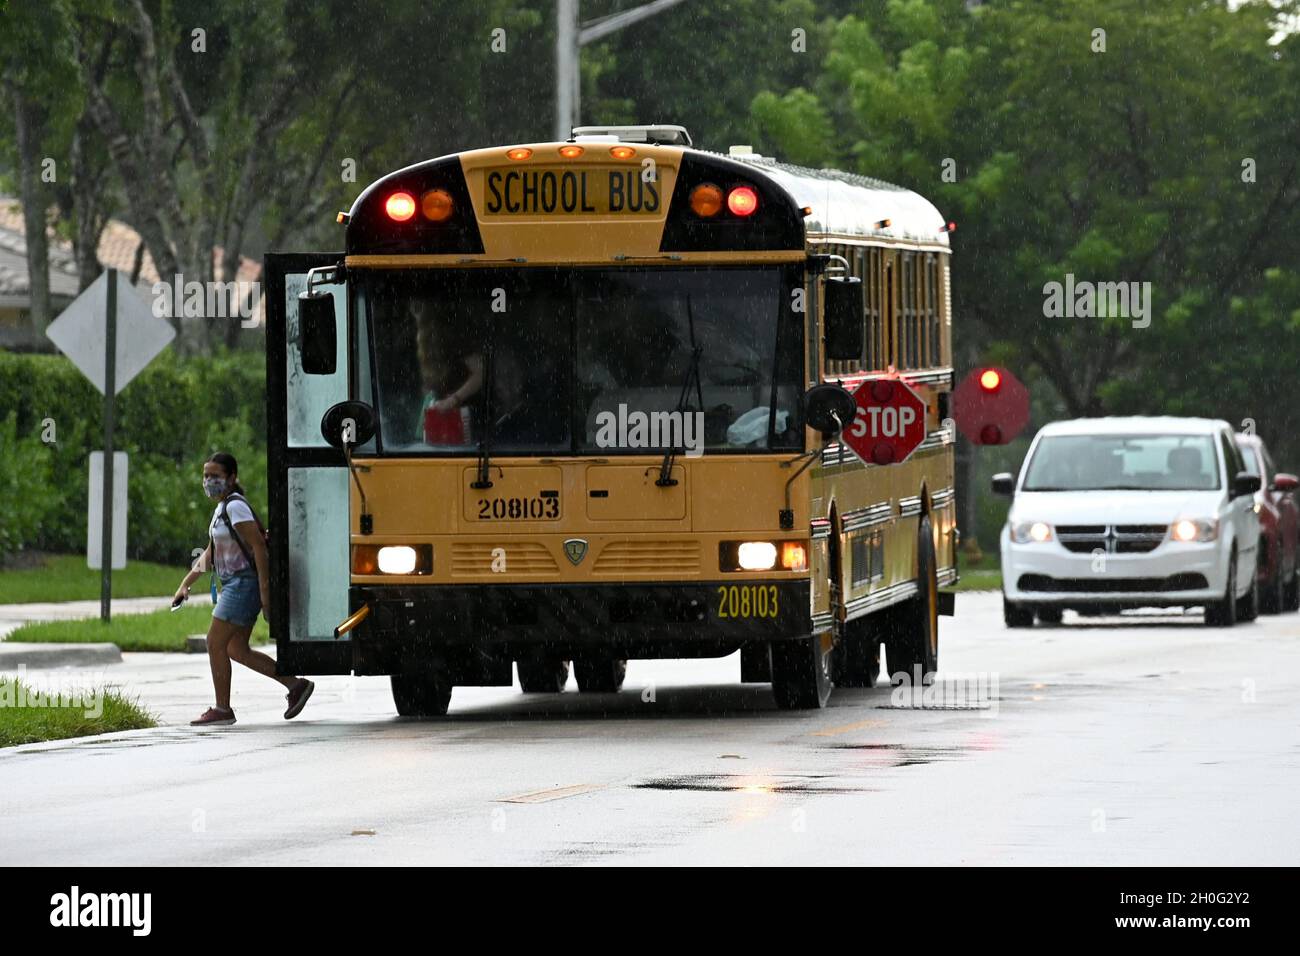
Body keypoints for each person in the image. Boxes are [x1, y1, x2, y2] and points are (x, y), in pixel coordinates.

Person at [174, 452, 314, 725]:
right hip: (235, 584)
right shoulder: (222, 509)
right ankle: (296, 686)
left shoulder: (235, 507)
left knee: (214, 642)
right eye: (206, 476)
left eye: (215, 476)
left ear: (232, 478)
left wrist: (264, 592)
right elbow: (211, 553)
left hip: (243, 584)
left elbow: (259, 548)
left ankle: (222, 709)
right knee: (236, 649)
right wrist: (185, 584)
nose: (209, 481)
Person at [412, 299, 483, 444]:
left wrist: (452, 400)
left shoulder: (452, 336)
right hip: (436, 415)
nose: (414, 309)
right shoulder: (415, 336)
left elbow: (480, 373)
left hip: (461, 415)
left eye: (418, 304)